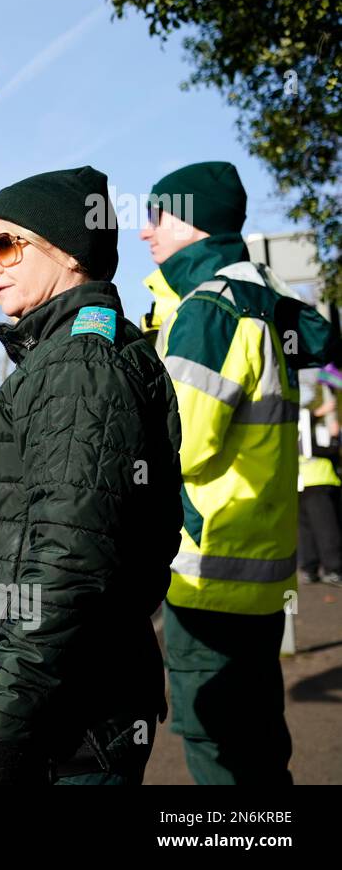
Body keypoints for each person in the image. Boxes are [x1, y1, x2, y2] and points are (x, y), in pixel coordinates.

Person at [0, 166, 182, 785]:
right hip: (57, 712)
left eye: (5, 244)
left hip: (60, 725)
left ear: (70, 250)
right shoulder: (66, 357)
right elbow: (48, 509)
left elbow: (69, 565)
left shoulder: (79, 365)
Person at [139, 160, 340, 784]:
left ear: (194, 221)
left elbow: (180, 446)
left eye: (158, 215)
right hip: (257, 562)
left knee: (218, 741)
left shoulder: (208, 310)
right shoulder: (259, 302)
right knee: (256, 739)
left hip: (206, 565)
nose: (146, 233)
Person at [298, 452, 342, 586]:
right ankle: (334, 570)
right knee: (327, 528)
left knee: (306, 528)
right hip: (320, 477)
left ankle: (309, 570)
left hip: (298, 480)